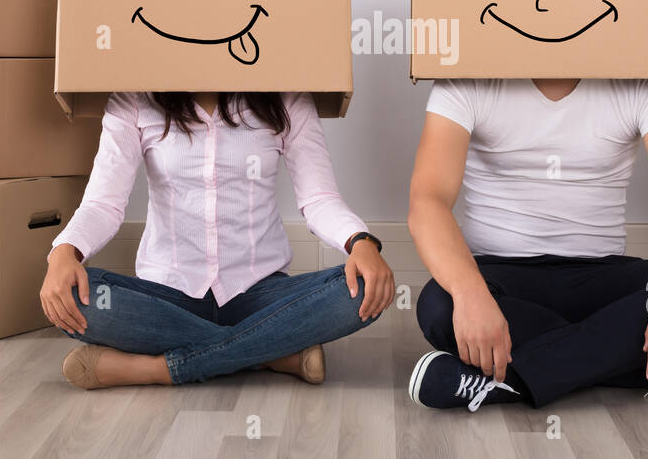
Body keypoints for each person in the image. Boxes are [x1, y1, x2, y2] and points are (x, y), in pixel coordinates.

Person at [405, 77, 648, 412]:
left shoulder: (641, 85)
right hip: (501, 282)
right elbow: (427, 203)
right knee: (438, 305)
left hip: (602, 280)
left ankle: (508, 382)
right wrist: (469, 293)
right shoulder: (464, 84)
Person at [40, 90, 393, 390]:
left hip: (259, 293)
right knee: (77, 296)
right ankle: (271, 351)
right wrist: (64, 253)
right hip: (167, 298)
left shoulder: (287, 96)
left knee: (363, 288)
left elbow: (318, 199)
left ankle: (156, 369)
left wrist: (360, 241)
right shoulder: (134, 98)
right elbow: (104, 203)